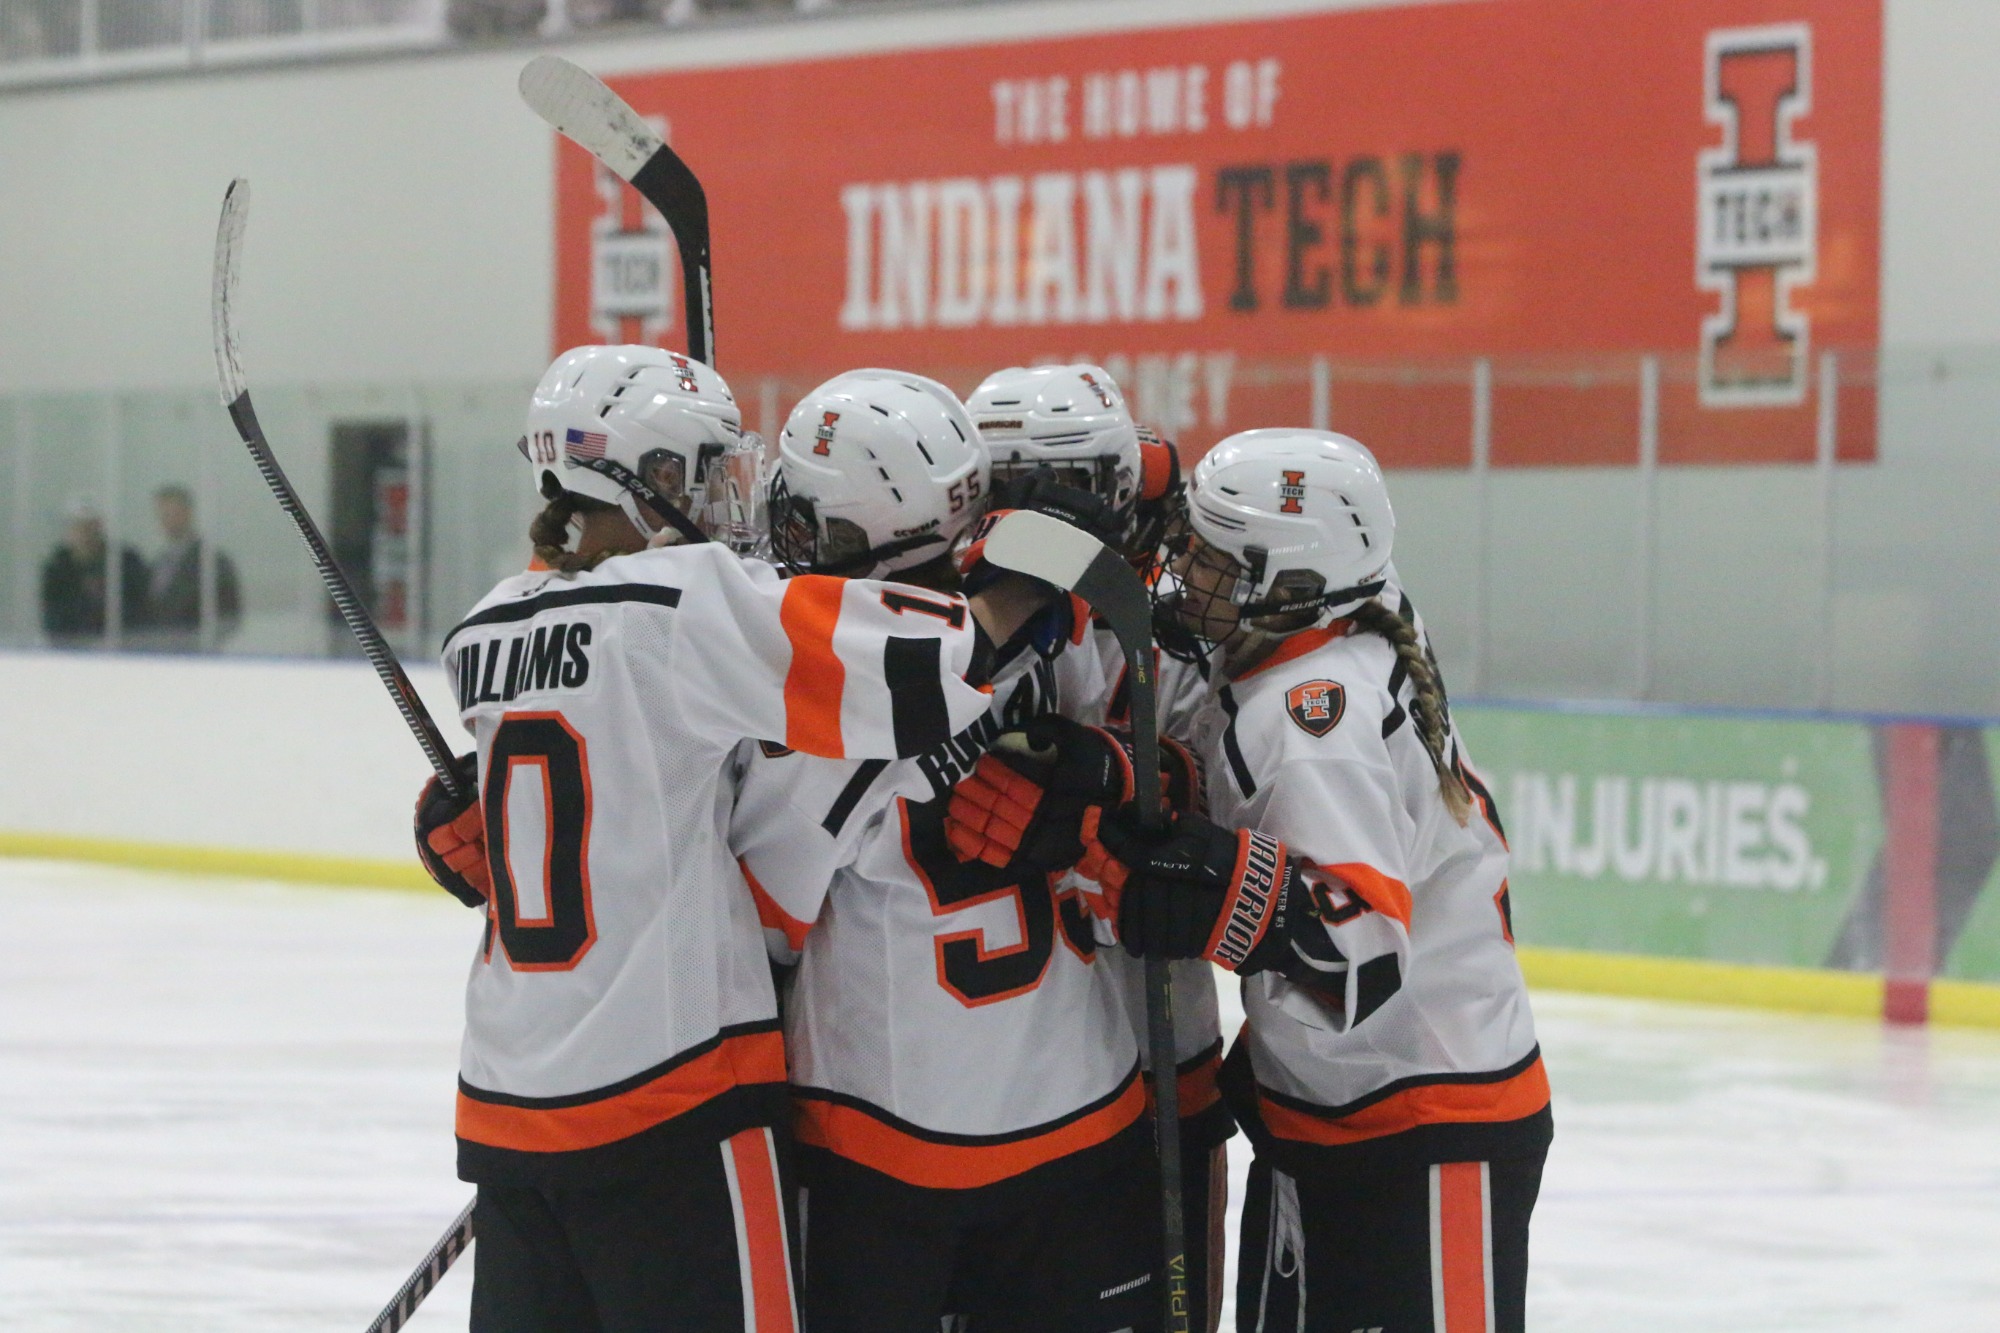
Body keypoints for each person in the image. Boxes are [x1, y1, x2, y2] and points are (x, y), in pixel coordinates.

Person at [408, 345, 1055, 1333]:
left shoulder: (483, 628)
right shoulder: (687, 602)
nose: (722, 491)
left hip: (506, 1099)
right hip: (673, 1101)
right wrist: (1034, 585)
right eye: (704, 467)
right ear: (649, 476)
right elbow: (929, 666)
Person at [947, 429, 1550, 1333]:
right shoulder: (1340, 618)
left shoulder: (1312, 720)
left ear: (1291, 585)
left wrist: (1193, 889)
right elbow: (1250, 798)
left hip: (1425, 1123)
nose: (1184, 574)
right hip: (1337, 1113)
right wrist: (1125, 780)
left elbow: (1357, 955)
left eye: (1215, 560)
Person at [732, 367, 1168, 1333]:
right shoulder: (1060, 613)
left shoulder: (806, 711)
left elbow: (754, 927)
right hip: (1082, 1108)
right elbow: (1158, 765)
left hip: (886, 1140)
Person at [965, 365, 1234, 1331]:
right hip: (983, 1076)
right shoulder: (935, 626)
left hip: (1144, 1053)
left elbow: (1222, 810)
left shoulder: (1167, 628)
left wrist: (1123, 779)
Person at [140, 484, 241, 650]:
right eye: (163, 515)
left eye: (173, 513)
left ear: (188, 513)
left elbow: (229, 616)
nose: (167, 520)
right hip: (160, 654)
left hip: (196, 655)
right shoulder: (158, 564)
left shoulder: (213, 563)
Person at [40, 499, 147, 648]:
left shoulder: (125, 563)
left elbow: (138, 608)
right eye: (78, 526)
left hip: (123, 648)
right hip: (72, 650)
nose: (85, 533)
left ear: (100, 527)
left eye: (90, 526)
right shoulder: (57, 570)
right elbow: (53, 618)